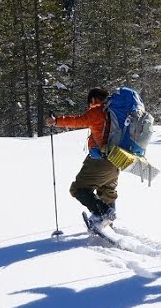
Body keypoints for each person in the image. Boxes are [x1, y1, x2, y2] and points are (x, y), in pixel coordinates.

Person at [48, 88, 119, 229]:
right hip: (117, 161)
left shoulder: (97, 112)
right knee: (107, 192)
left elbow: (77, 121)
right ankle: (108, 223)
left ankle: (103, 213)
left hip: (99, 162)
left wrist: (56, 121)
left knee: (78, 188)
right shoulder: (116, 113)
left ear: (93, 100)